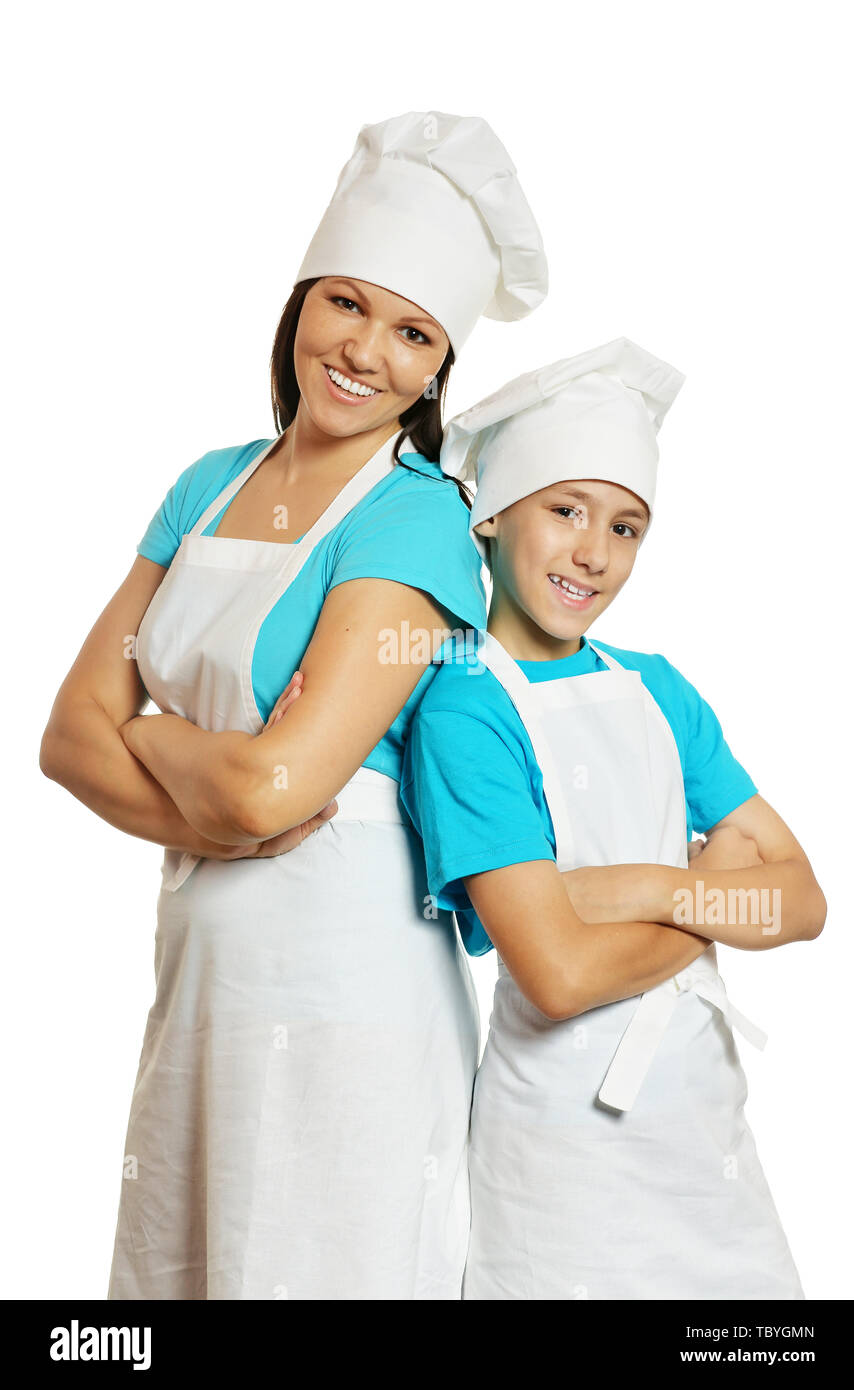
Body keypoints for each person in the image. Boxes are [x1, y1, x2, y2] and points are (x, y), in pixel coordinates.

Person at [38, 110, 548, 1300]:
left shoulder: (416, 518)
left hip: (343, 996)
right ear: (301, 300)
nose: (365, 350)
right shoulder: (206, 485)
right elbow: (66, 737)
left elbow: (282, 787)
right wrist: (207, 784)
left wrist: (148, 731)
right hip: (203, 985)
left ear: (436, 368)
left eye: (412, 331)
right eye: (347, 304)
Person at [400, 338, 826, 1299]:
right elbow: (556, 974)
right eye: (565, 510)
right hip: (563, 1164)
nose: (594, 553)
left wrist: (630, 891)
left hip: (702, 1127)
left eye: (626, 527)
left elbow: (801, 903)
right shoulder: (465, 708)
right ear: (494, 514)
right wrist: (708, 898)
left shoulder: (659, 692)